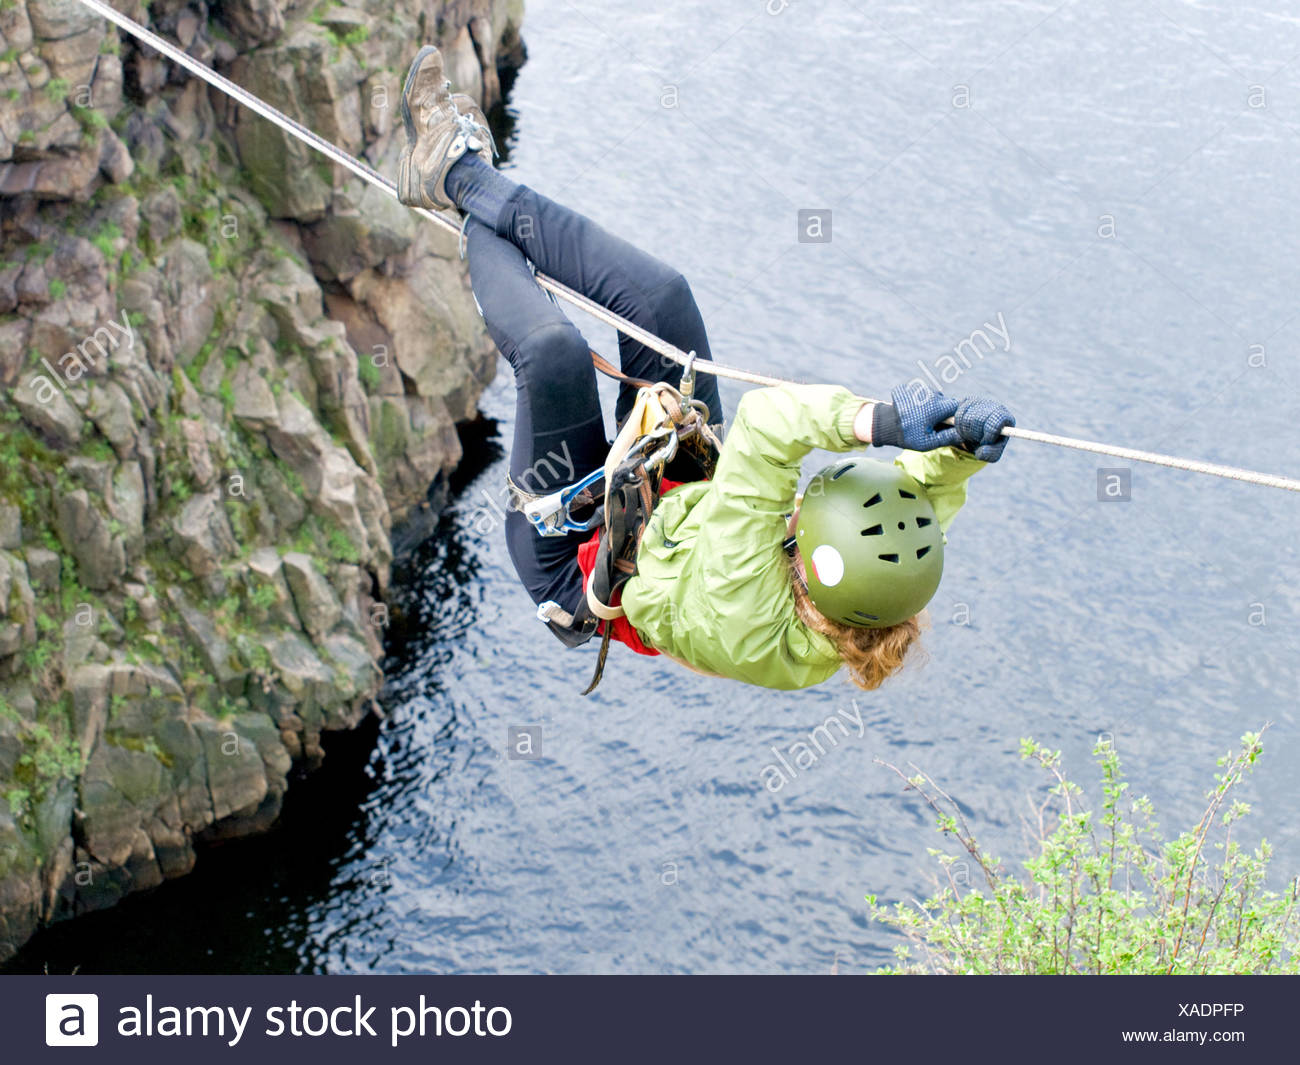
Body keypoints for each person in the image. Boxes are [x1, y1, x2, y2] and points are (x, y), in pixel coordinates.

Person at [395, 45, 1015, 692]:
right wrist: (962, 444)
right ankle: (460, 176)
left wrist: (880, 421)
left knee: (557, 356)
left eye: (803, 516)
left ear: (803, 567)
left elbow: (772, 424)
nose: (798, 506)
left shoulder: (746, 603)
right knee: (662, 298)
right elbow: (919, 508)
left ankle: (461, 178)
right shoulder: (877, 582)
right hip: (679, 498)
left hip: (582, 559)